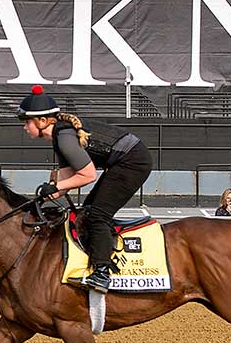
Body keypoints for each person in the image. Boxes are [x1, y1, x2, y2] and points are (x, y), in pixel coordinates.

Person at [19, 85, 153, 293]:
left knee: (97, 216)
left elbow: (87, 175)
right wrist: (38, 200)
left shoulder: (64, 138)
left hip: (133, 162)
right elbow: (62, 186)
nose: (24, 127)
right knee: (87, 212)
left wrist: (56, 187)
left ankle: (101, 273)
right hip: (123, 161)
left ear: (42, 121)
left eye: (26, 122)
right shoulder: (60, 137)